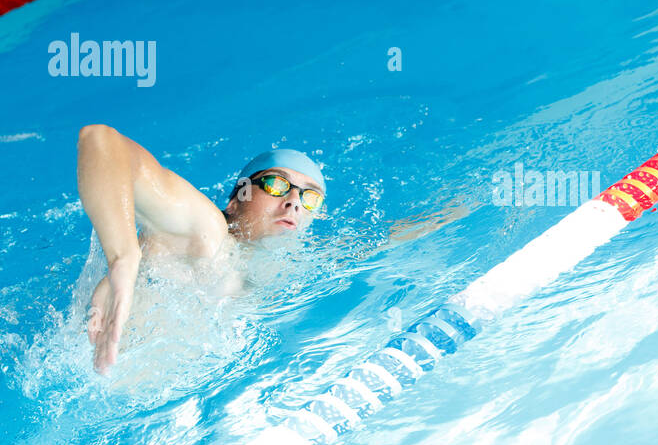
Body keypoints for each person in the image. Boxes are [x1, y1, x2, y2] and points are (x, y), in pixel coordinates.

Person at [77, 124, 468, 375]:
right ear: (237, 198)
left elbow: (384, 239)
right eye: (277, 186)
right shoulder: (206, 233)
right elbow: (100, 140)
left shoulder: (296, 268)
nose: (294, 203)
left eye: (310, 198)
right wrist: (123, 257)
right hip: (95, 369)